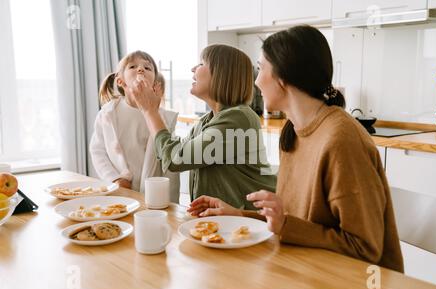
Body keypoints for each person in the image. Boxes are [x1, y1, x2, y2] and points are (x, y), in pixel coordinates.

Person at [187, 26, 404, 272]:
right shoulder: (292, 131)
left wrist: (284, 225)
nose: (256, 81)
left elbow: (366, 249)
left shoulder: (341, 140)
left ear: (284, 78)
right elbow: (294, 223)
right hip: (307, 271)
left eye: (261, 68)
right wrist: (238, 214)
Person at [128, 44, 277, 210]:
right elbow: (176, 151)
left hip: (250, 225)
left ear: (221, 74)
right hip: (222, 224)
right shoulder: (207, 120)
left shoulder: (238, 118)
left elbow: (175, 159)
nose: (193, 69)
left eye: (200, 64)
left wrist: (150, 111)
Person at [90, 51, 180, 202]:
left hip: (153, 198)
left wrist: (171, 202)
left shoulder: (163, 119)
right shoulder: (108, 114)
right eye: (133, 66)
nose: (140, 69)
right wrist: (115, 179)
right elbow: (97, 151)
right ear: (121, 81)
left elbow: (170, 167)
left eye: (148, 68)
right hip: (119, 194)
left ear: (155, 83)